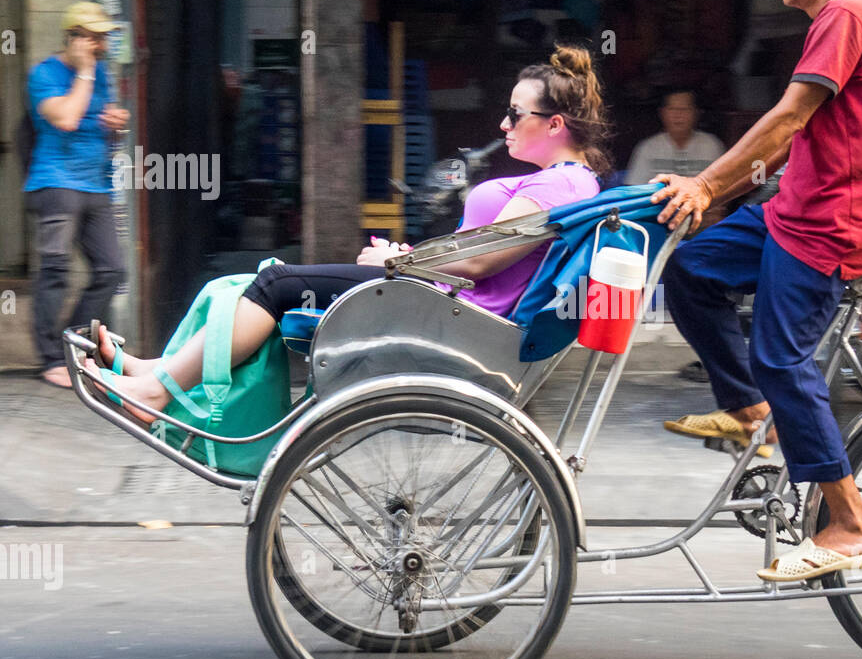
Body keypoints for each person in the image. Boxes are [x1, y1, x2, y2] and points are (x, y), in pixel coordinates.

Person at [84, 45, 608, 420]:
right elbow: (481, 256)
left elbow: (476, 262)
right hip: (447, 300)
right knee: (266, 284)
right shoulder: (566, 183)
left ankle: (157, 391)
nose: (504, 125)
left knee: (275, 286)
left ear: (555, 124)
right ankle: (155, 372)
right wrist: (409, 257)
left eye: (516, 114)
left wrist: (397, 265)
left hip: (454, 315)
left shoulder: (560, 187)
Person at [652, 0, 862, 583]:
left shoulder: (847, 13)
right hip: (793, 206)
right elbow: (786, 145)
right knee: (693, 270)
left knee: (781, 357)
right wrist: (711, 198)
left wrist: (706, 184)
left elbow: (790, 117)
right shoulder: (848, 14)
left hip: (832, 224)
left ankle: (854, 519)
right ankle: (748, 412)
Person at [27, 2, 130, 387]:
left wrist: (116, 122)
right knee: (55, 270)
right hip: (56, 185)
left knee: (111, 269)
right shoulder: (44, 75)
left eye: (101, 39)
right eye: (91, 38)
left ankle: (71, 343)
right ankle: (50, 359)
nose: (98, 46)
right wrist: (86, 72)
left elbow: (102, 124)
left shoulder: (100, 73)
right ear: (72, 37)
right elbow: (67, 118)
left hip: (96, 184)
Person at [623, 89, 724, 187]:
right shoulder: (648, 147)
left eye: (684, 109)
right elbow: (634, 188)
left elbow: (723, 187)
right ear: (662, 113)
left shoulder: (712, 145)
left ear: (696, 113)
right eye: (672, 109)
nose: (678, 115)